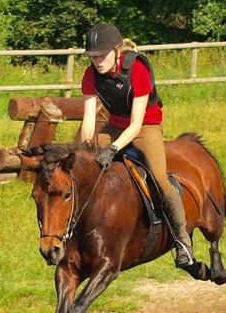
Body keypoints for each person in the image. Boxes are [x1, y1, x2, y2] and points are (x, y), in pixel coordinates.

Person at [76, 22, 198, 273]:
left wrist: (114, 148)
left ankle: (183, 242)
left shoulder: (137, 70)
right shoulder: (90, 75)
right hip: (114, 125)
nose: (97, 61)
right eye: (93, 57)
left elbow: (136, 124)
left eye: (102, 55)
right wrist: (85, 150)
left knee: (159, 178)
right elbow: (89, 121)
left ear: (116, 50)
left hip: (145, 127)